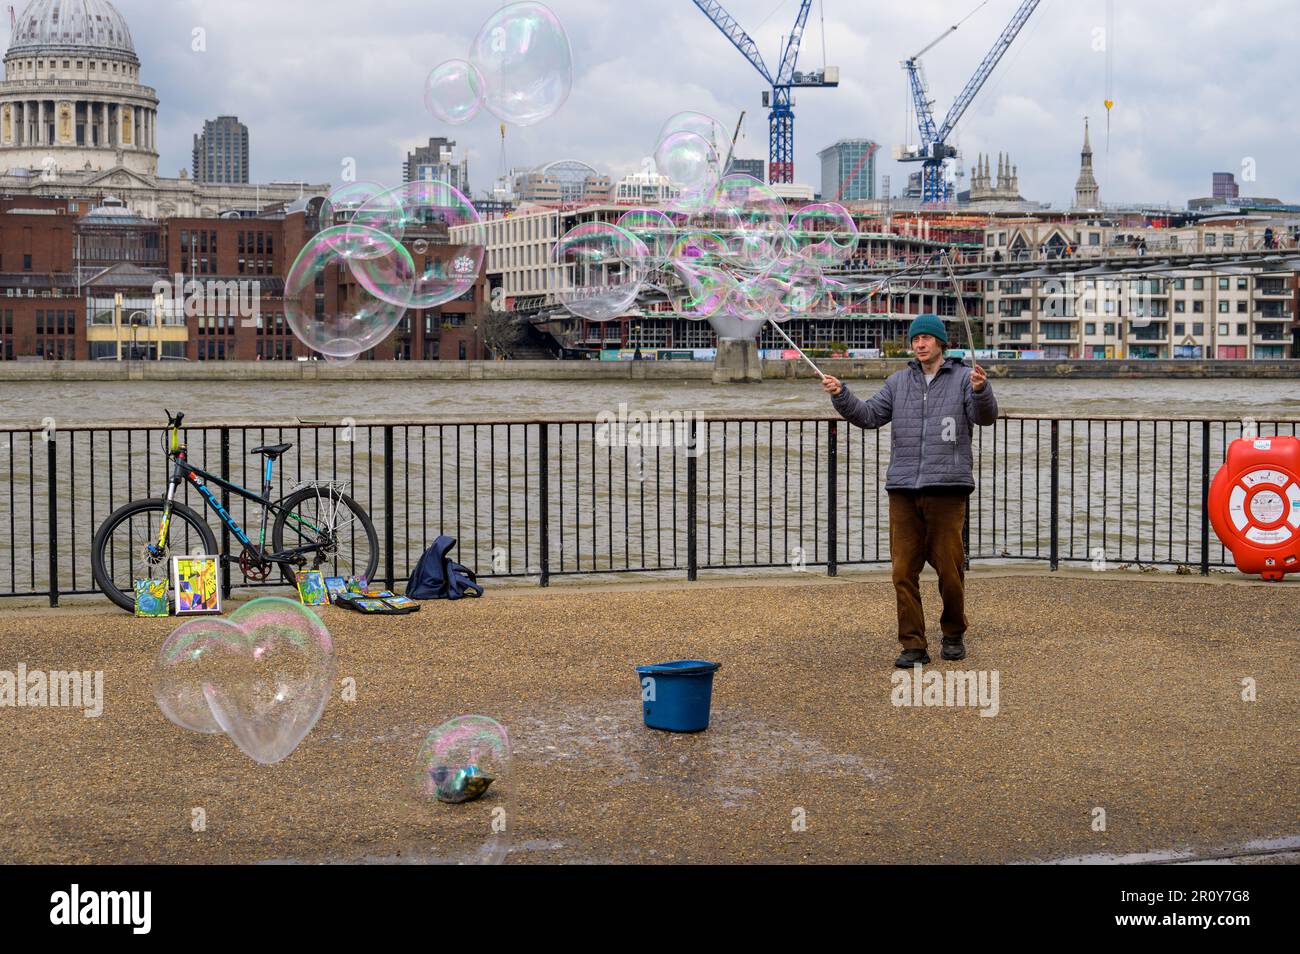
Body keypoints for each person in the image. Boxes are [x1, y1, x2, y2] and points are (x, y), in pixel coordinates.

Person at [822, 315, 999, 667]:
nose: (919, 344)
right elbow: (870, 416)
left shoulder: (965, 378)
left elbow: (985, 417)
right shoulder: (898, 382)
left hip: (948, 487)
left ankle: (953, 632)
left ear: (941, 344)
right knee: (902, 571)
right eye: (915, 339)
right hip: (902, 487)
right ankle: (913, 644)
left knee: (950, 568)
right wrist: (841, 395)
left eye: (926, 339)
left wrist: (982, 390)